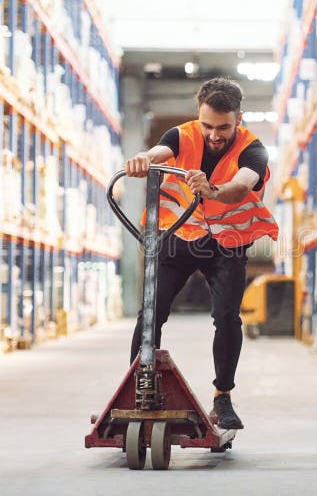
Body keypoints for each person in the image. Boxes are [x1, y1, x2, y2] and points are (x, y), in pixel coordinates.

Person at [125, 78, 279, 430]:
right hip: (180, 235)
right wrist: (142, 160)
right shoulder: (184, 134)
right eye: (207, 124)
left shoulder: (253, 149)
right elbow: (158, 155)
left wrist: (212, 190)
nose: (213, 134)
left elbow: (240, 185)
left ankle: (222, 397)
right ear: (199, 116)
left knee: (227, 317)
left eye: (223, 127)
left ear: (238, 118)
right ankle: (140, 386)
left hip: (226, 243)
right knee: (150, 312)